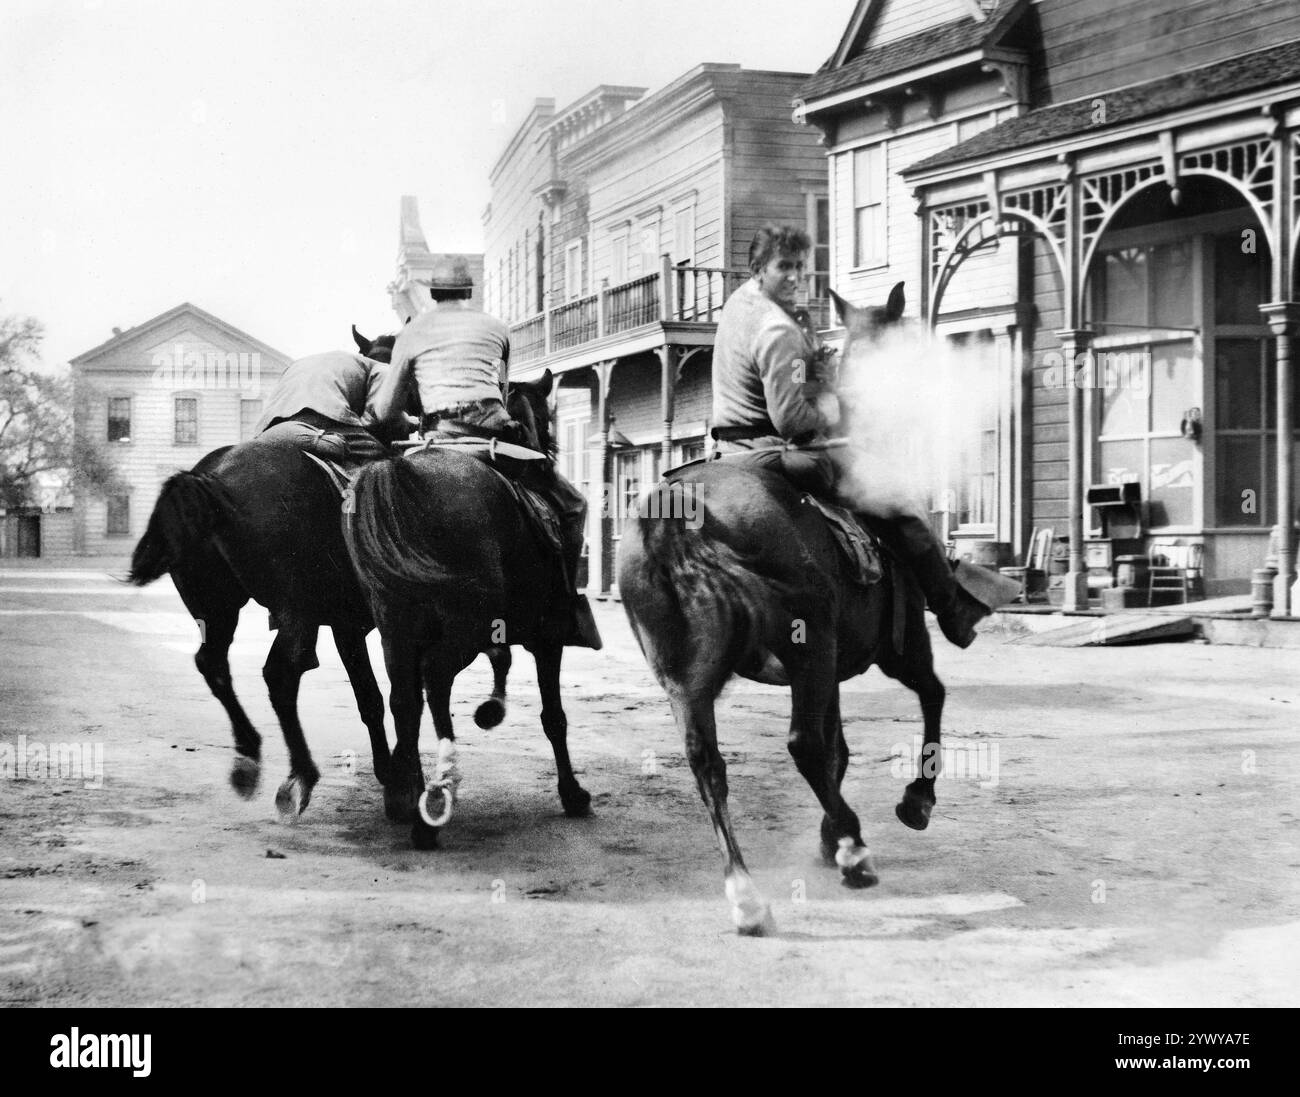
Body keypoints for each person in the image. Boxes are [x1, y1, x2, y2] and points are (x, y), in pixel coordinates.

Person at [710, 223, 1017, 648]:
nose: (796, 277)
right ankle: (952, 610)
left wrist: (812, 376)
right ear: (759, 268)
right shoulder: (775, 327)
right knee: (897, 503)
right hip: (771, 450)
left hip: (726, 450)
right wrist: (831, 404)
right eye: (785, 267)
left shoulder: (737, 303)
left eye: (802, 267)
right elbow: (791, 421)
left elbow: (773, 381)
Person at [369, 256, 602, 650]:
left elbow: (387, 408)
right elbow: (504, 388)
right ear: (468, 292)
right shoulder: (497, 327)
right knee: (573, 505)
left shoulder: (412, 331)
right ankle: (563, 606)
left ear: (432, 292)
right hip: (492, 434)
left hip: (438, 437)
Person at [253, 350, 394, 466]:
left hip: (271, 426)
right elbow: (375, 418)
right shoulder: (384, 369)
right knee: (383, 462)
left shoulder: (303, 362)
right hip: (322, 415)